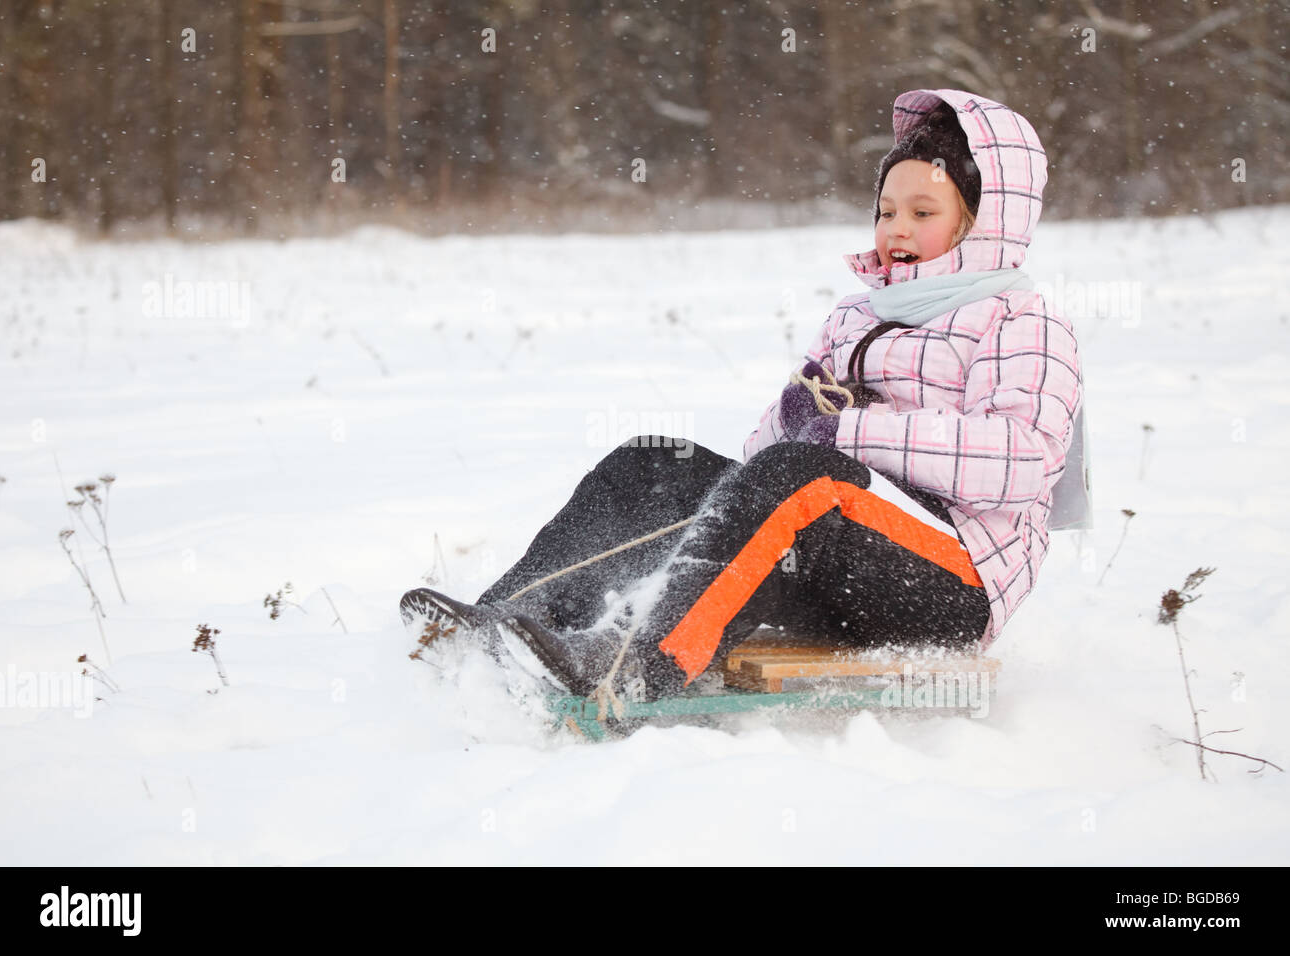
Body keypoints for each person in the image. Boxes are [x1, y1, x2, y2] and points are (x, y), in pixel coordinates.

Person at [401, 88, 1083, 704]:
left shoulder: (1021, 322)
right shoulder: (858, 315)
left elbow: (1021, 465)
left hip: (948, 584)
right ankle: (509, 619)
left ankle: (644, 665)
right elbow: (763, 461)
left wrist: (847, 432)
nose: (896, 228)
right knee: (654, 462)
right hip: (831, 561)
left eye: (923, 211)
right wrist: (795, 421)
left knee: (804, 479)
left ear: (983, 224)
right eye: (885, 210)